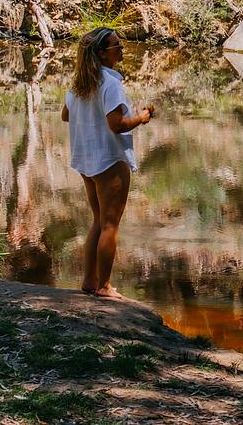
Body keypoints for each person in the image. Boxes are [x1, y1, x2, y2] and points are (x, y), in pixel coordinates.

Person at [61, 27, 154, 300]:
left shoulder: (80, 83)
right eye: (116, 45)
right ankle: (104, 287)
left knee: (98, 222)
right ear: (102, 54)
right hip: (109, 160)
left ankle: (90, 282)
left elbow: (66, 115)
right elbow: (117, 125)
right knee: (110, 225)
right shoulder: (110, 84)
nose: (121, 48)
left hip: (87, 160)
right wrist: (142, 117)